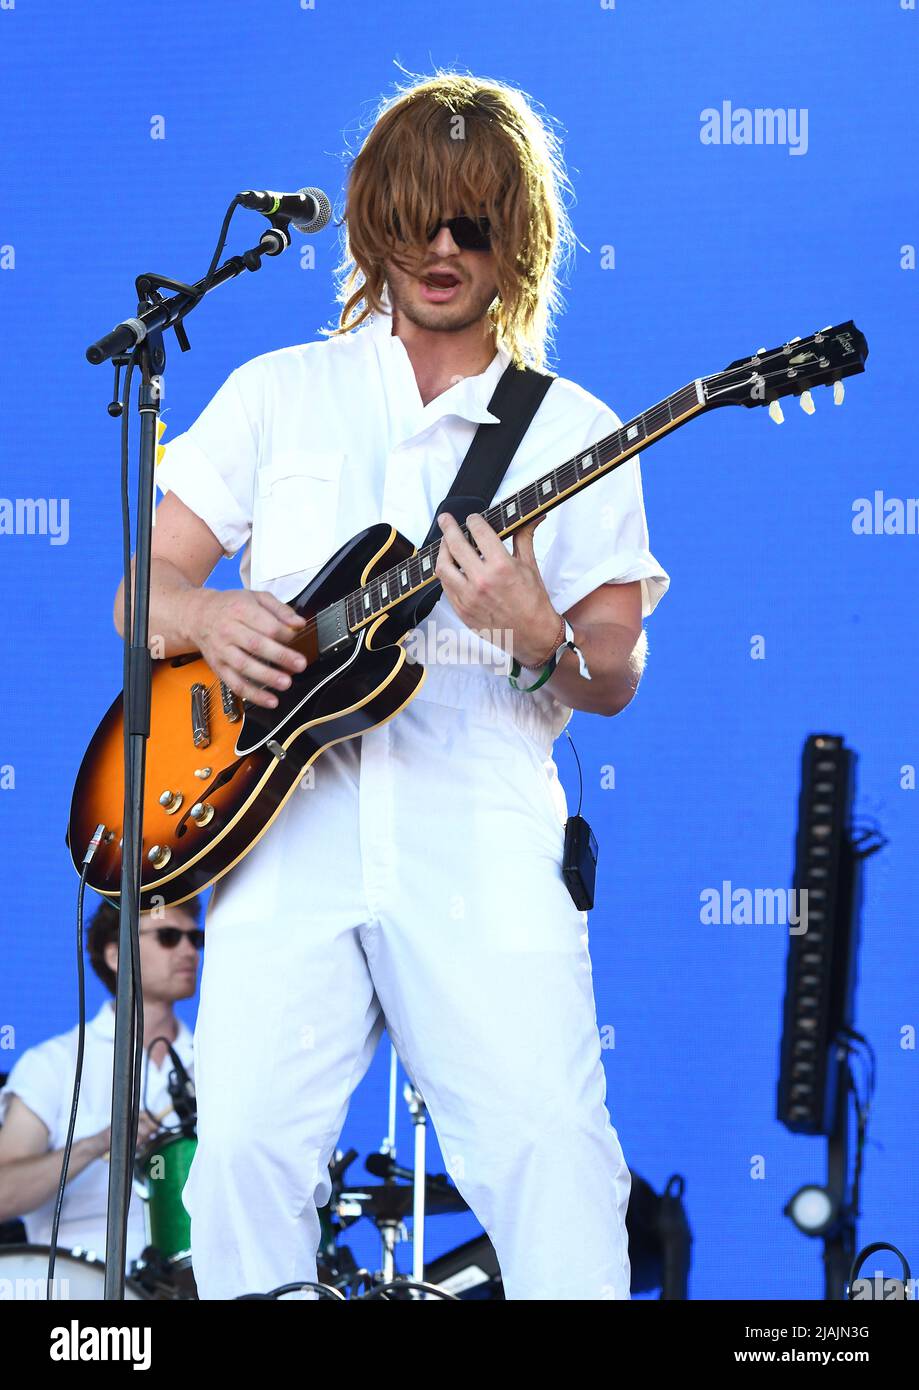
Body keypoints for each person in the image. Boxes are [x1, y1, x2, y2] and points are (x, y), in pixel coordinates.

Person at [130, 71, 669, 1300]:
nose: (442, 246)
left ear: (517, 238)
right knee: (244, 1158)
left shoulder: (574, 428)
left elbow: (614, 670)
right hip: (281, 818)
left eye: (474, 222)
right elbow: (139, 595)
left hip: (476, 815)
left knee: (549, 1153)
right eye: (420, 215)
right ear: (376, 221)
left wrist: (535, 630)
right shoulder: (280, 391)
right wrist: (210, 613)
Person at [0, 899, 201, 1264]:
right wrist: (99, 1144)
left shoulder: (213, 1064)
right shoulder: (52, 1064)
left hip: (202, 1280)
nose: (189, 951)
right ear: (115, 955)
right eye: (169, 937)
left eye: (196, 938)